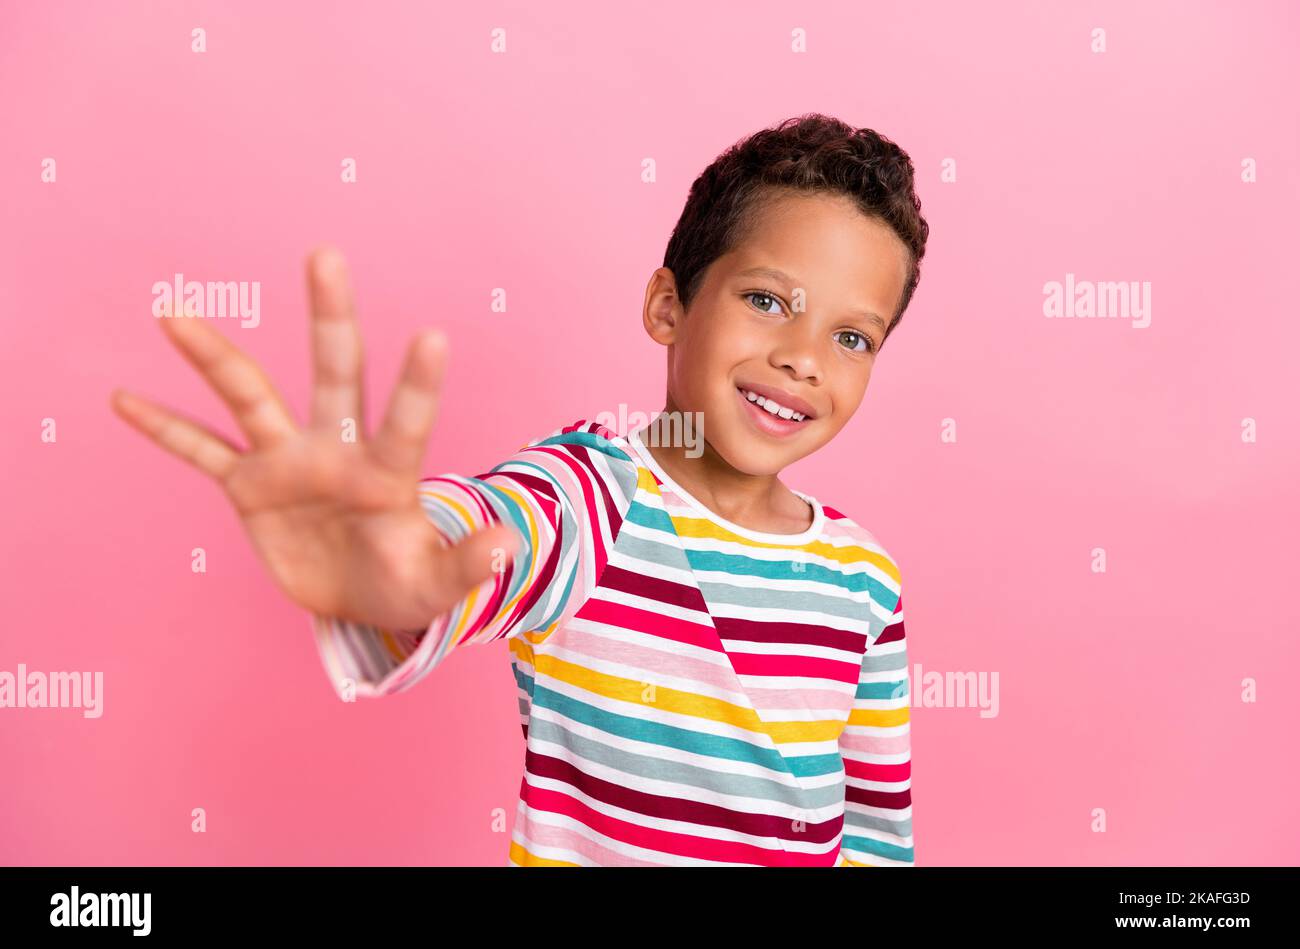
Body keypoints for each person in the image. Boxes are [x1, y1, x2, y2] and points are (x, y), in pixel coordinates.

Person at [110, 112, 928, 867]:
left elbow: (874, 828)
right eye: (766, 300)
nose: (804, 356)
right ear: (668, 305)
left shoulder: (864, 578)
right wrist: (393, 570)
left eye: (852, 336)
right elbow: (501, 526)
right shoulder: (597, 495)